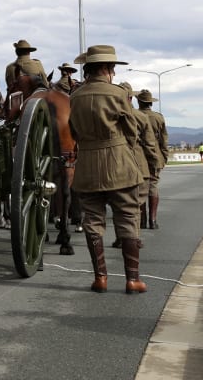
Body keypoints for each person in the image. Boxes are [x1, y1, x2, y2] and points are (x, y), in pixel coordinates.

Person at [69, 44, 146, 294]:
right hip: (119, 165)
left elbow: (73, 131)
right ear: (106, 68)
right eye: (112, 67)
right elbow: (132, 130)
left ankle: (100, 278)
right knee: (127, 218)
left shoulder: (75, 95)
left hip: (87, 167)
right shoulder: (117, 94)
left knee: (92, 222)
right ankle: (132, 279)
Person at [112, 83, 163, 248]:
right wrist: (155, 162)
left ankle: (120, 237)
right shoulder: (143, 117)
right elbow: (151, 144)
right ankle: (136, 235)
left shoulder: (110, 114)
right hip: (140, 163)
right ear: (131, 98)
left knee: (118, 203)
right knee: (135, 204)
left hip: (116, 162)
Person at [136, 89, 168, 229]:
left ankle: (142, 220)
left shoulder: (134, 115)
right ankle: (153, 220)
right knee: (153, 186)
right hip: (156, 154)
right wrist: (164, 156)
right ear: (150, 103)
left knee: (140, 187)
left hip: (138, 155)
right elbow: (164, 140)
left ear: (139, 101)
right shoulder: (158, 117)